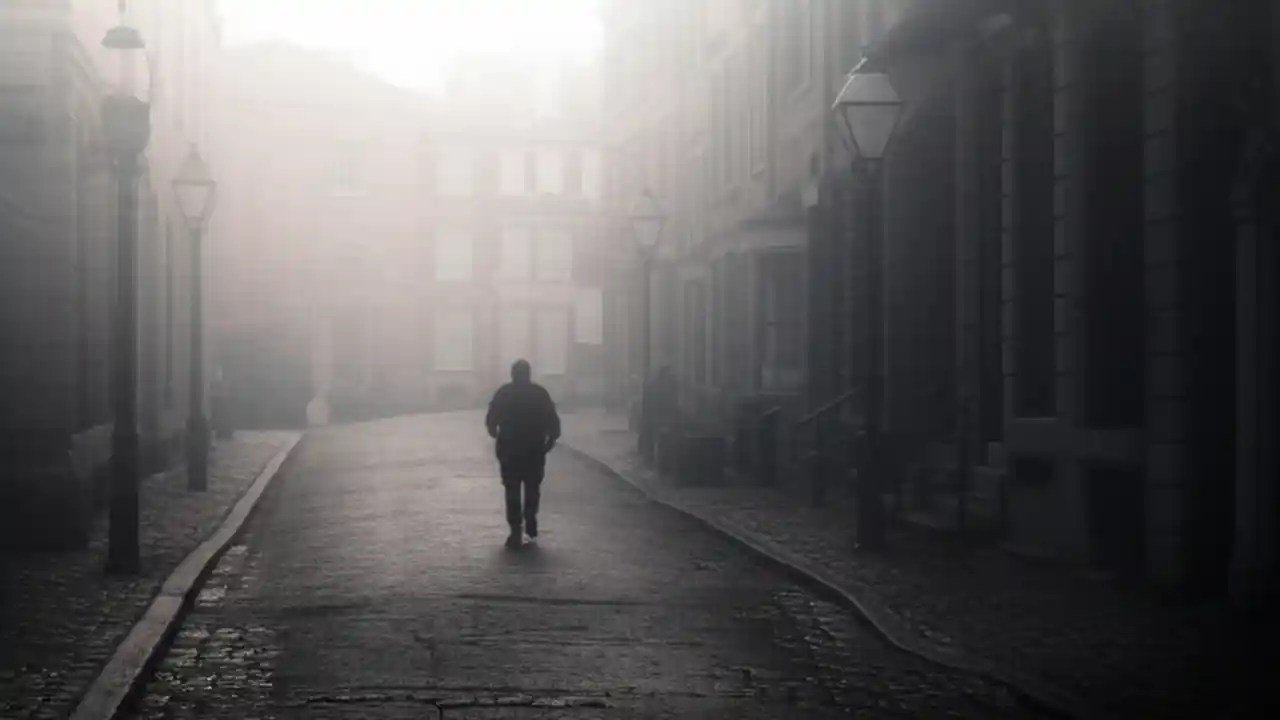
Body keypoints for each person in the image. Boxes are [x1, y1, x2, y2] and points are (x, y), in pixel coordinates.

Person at [485, 359, 561, 549]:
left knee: (511, 489)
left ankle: (515, 528)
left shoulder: (504, 393)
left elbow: (491, 420)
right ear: (529, 374)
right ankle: (530, 515)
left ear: (512, 374)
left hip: (510, 450)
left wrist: (496, 434)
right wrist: (549, 441)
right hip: (534, 450)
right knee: (532, 487)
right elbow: (553, 421)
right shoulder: (540, 394)